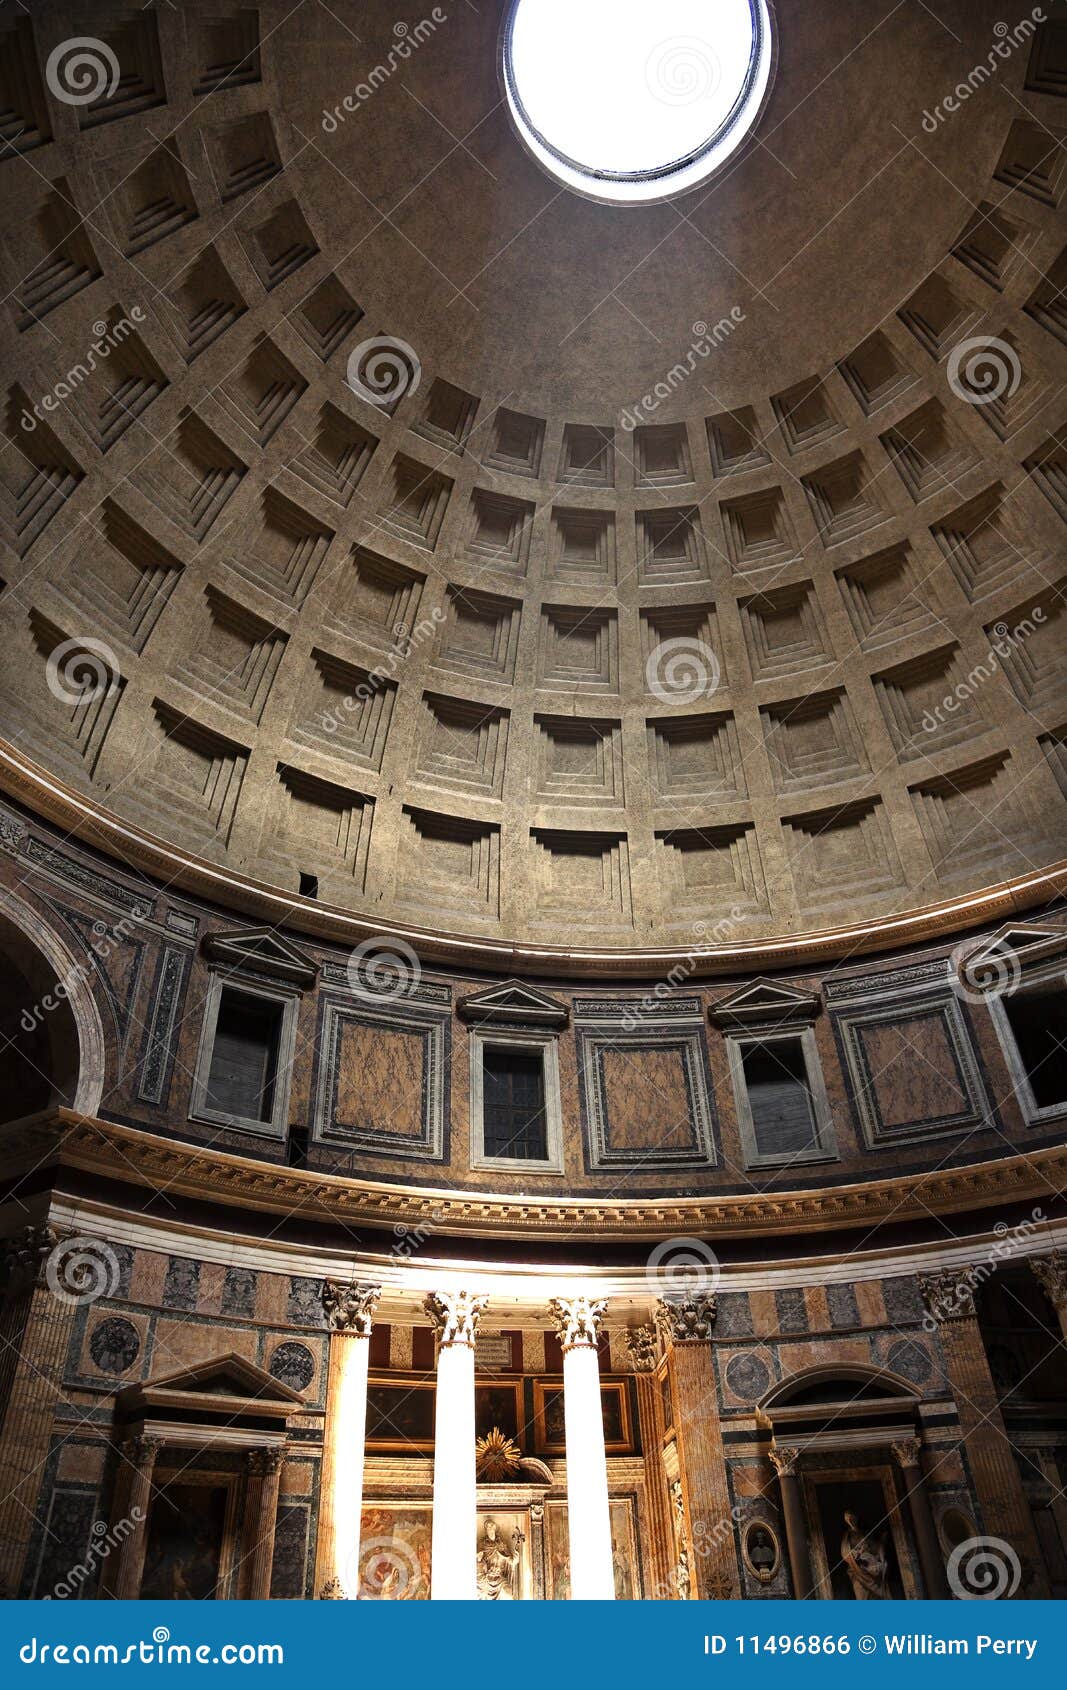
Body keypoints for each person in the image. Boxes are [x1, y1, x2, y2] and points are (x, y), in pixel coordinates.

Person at [840, 1510, 889, 1599]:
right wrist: (857, 1553)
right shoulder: (847, 1536)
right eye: (849, 1519)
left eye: (853, 1518)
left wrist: (880, 1543)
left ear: (857, 1518)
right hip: (857, 1570)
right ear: (846, 1521)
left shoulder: (865, 1533)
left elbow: (875, 1547)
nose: (851, 1520)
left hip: (871, 1567)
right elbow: (845, 1553)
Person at [476, 1517, 524, 1599]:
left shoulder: (501, 1545)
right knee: (480, 1593)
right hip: (486, 1578)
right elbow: (477, 1563)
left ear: (495, 1528)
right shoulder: (482, 1545)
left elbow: (510, 1560)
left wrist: (516, 1557)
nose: (490, 1528)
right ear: (486, 1530)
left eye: (491, 1526)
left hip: (499, 1578)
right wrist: (479, 1560)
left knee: (508, 1593)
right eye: (488, 1527)